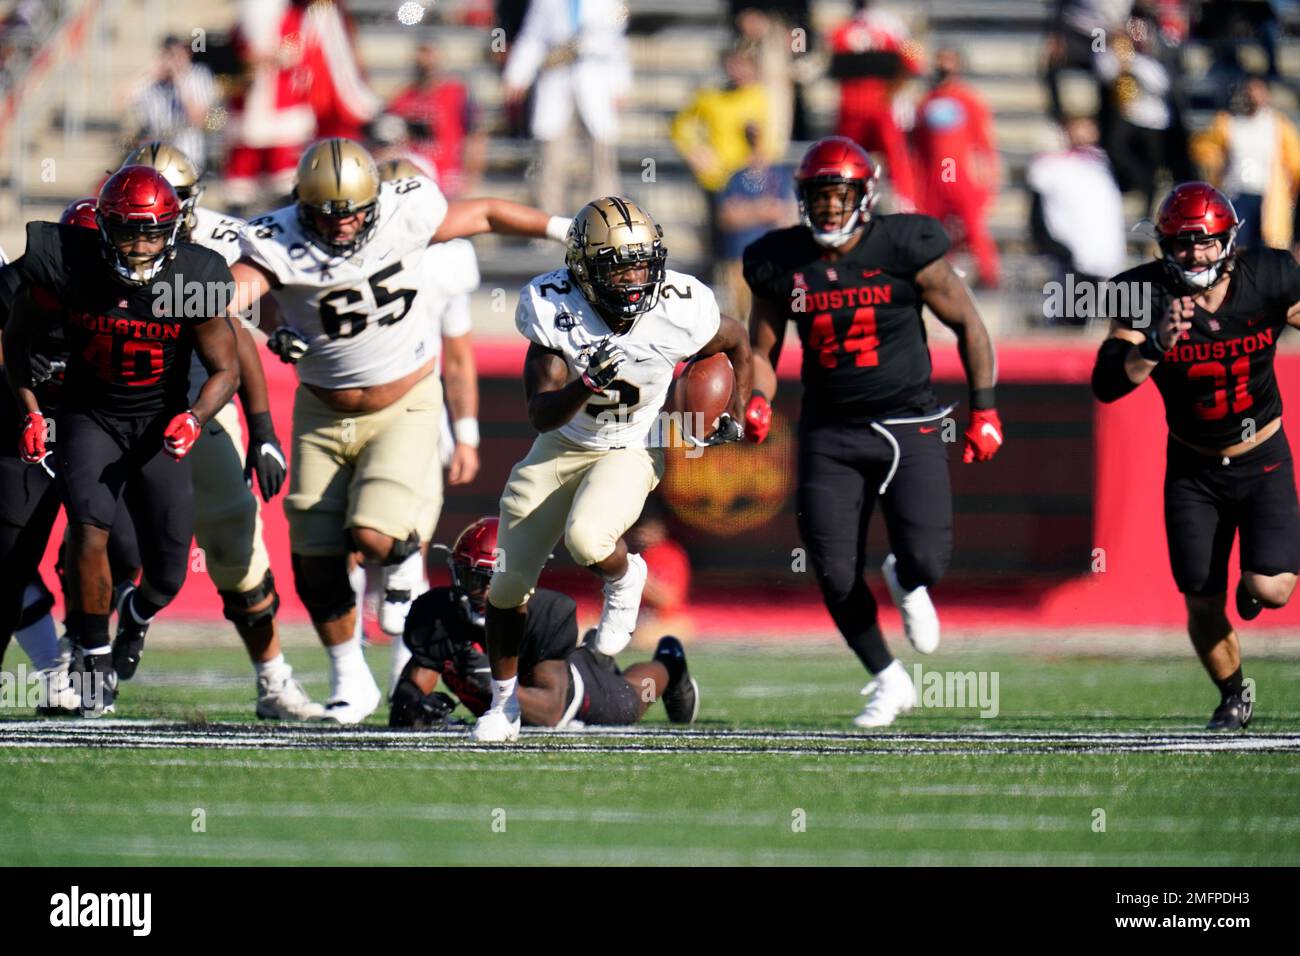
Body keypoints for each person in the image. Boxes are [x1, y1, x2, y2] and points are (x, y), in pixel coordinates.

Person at [228, 137, 569, 724]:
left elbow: (486, 212)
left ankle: (405, 556)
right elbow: (232, 292)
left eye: (354, 212)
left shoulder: (404, 210)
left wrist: (566, 228)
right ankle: (350, 679)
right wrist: (271, 320)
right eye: (327, 214)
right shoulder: (275, 236)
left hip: (404, 402)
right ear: (301, 206)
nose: (342, 226)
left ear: (375, 201)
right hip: (320, 410)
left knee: (372, 533)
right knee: (312, 555)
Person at [742, 136, 1002, 729]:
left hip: (910, 423)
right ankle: (888, 679)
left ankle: (906, 581)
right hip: (830, 432)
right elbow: (762, 348)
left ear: (864, 195)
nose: (830, 208)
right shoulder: (778, 260)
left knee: (929, 560)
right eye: (819, 197)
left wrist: (984, 409)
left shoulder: (906, 244)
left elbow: (970, 324)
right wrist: (756, 399)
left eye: (840, 196)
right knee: (832, 569)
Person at [475, 196, 754, 742]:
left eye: (642, 264)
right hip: (561, 443)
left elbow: (737, 340)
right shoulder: (554, 307)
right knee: (505, 585)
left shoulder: (680, 306)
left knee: (587, 537)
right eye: (618, 267)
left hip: (635, 441)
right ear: (583, 271)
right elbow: (540, 413)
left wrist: (735, 414)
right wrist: (586, 383)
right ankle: (504, 705)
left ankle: (626, 579)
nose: (633, 278)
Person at [4, 166, 241, 717]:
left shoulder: (194, 276)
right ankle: (92, 656)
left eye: (154, 232)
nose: (140, 245)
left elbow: (225, 367)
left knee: (168, 570)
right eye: (130, 231)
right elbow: (15, 340)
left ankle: (136, 615)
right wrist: (32, 412)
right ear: (104, 227)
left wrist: (196, 413)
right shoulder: (68, 262)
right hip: (91, 417)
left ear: (174, 229)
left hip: (159, 424)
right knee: (89, 531)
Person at [119, 141, 321, 719]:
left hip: (197, 404)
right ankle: (84, 658)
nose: (154, 213)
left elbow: (243, 321)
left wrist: (262, 428)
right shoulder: (92, 238)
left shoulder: (216, 245)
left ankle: (273, 678)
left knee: (233, 541)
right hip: (111, 408)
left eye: (170, 201)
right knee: (107, 535)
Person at [1091, 181, 1300, 730]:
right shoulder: (1142, 294)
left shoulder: (1270, 276)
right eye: (1183, 244)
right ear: (1164, 245)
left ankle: (1251, 586)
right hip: (1193, 467)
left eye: (1206, 242)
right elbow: (1107, 383)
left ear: (1229, 240)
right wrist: (1156, 346)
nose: (1196, 254)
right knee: (1201, 599)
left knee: (1271, 589)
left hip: (1263, 455)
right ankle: (1234, 695)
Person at [390, 517, 698, 730]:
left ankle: (669, 665)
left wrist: (491, 685)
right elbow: (407, 695)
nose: (482, 592)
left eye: (494, 580)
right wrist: (418, 705)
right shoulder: (436, 614)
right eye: (472, 578)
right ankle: (594, 652)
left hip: (574, 694)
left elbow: (549, 711)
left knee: (630, 701)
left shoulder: (545, 612)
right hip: (544, 679)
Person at [502, 0, 630, 216]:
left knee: (602, 161)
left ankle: (604, 224)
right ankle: (550, 227)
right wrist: (517, 75)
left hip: (596, 81)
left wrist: (621, 84)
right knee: (551, 162)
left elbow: (617, 40)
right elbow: (533, 35)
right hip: (557, 81)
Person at [911, 48, 1001, 289]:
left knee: (972, 224)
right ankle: (935, 274)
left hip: (958, 173)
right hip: (934, 177)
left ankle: (988, 273)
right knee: (932, 228)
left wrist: (988, 181)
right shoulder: (924, 103)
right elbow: (917, 148)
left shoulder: (968, 100)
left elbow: (984, 143)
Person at [1026, 115, 1127, 321]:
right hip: (1069, 256)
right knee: (1069, 319)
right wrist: (1055, 247)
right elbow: (1037, 214)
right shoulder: (1050, 165)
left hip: (1101, 252)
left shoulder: (1102, 161)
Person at [827, 0, 922, 210]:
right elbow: (915, 59)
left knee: (844, 163)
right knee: (897, 161)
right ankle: (906, 205)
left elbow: (828, 65)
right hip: (877, 107)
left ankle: (842, 205)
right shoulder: (887, 32)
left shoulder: (839, 32)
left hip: (852, 111)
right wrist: (895, 87)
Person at [1191, 75, 1300, 252]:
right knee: (1236, 248)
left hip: (1267, 195)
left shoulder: (1278, 125)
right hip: (1235, 192)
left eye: (1258, 91)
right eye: (1249, 91)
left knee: (1267, 250)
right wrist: (1216, 161)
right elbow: (1204, 147)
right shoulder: (1227, 121)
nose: (1252, 97)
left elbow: (1295, 162)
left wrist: (1290, 189)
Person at [715, 123, 797, 321]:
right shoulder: (735, 176)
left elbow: (783, 214)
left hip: (770, 256)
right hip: (739, 255)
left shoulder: (779, 176)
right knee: (740, 313)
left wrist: (746, 210)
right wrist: (760, 209)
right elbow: (727, 216)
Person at [386, 42, 487, 199]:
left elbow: (476, 136)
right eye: (421, 64)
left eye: (429, 63)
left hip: (448, 179)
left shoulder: (457, 94)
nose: (425, 68)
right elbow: (390, 142)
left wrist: (471, 178)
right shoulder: (402, 98)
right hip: (413, 180)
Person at [129, 35, 217, 172]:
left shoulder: (198, 76)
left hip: (188, 158)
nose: (173, 61)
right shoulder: (154, 83)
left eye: (177, 55)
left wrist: (180, 80)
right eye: (168, 56)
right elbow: (119, 100)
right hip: (156, 159)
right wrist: (150, 74)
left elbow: (198, 118)